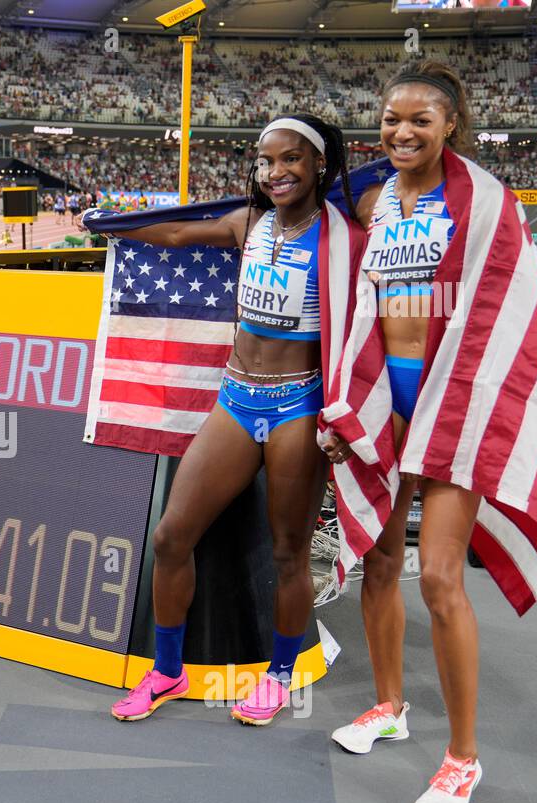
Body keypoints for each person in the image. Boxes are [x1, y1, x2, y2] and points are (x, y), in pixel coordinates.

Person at [320, 62, 537, 803]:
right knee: (377, 557)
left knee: (438, 577)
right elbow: (361, 311)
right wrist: (349, 407)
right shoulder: (379, 203)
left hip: (454, 403)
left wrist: (453, 397)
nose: (402, 132)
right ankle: (389, 704)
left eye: (420, 121)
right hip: (387, 401)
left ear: (451, 127)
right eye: (391, 119)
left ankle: (463, 760)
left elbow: (506, 312)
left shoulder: (486, 201)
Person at [79, 114, 363, 725]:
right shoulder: (248, 222)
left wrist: (348, 414)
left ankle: (280, 675)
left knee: (290, 552)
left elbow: (364, 330)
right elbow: (180, 233)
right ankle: (167, 672)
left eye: (290, 159)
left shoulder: (342, 237)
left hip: (299, 406)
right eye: (265, 161)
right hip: (236, 400)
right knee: (171, 537)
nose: (275, 171)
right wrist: (110, 223)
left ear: (318, 165)